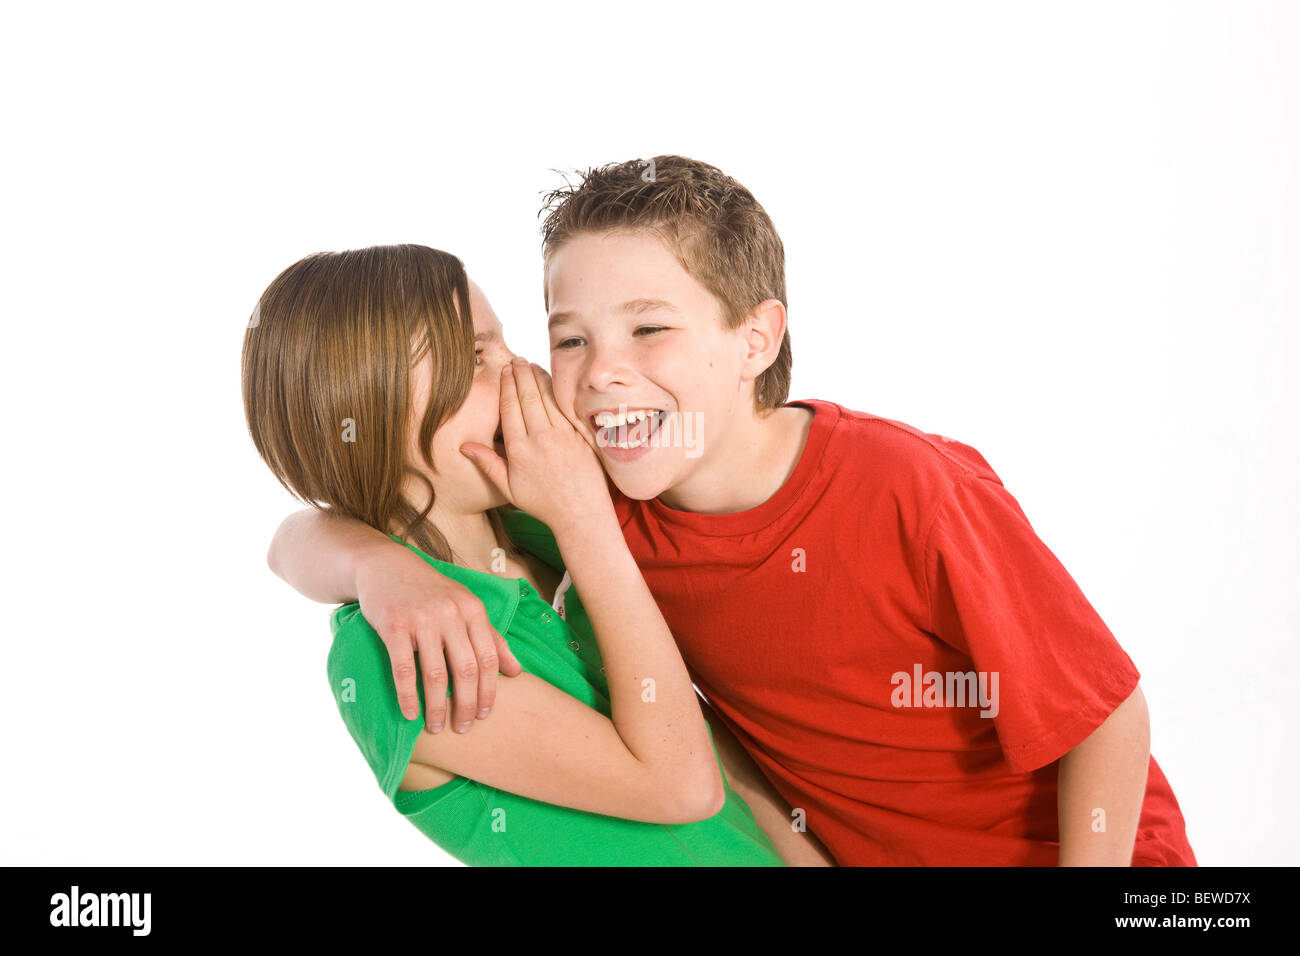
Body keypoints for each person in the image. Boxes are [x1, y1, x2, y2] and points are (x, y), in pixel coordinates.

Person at [267, 157, 1197, 866]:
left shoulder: (901, 486)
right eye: (566, 339)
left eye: (649, 326)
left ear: (756, 337)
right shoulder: (586, 511)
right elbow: (306, 526)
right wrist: (370, 564)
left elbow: (1106, 715)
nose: (556, 373)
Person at [242, 243, 831, 865]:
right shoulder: (400, 651)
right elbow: (682, 785)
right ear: (362, 407)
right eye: (476, 357)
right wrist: (587, 527)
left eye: (506, 344)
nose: (526, 373)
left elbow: (712, 743)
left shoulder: (538, 536)